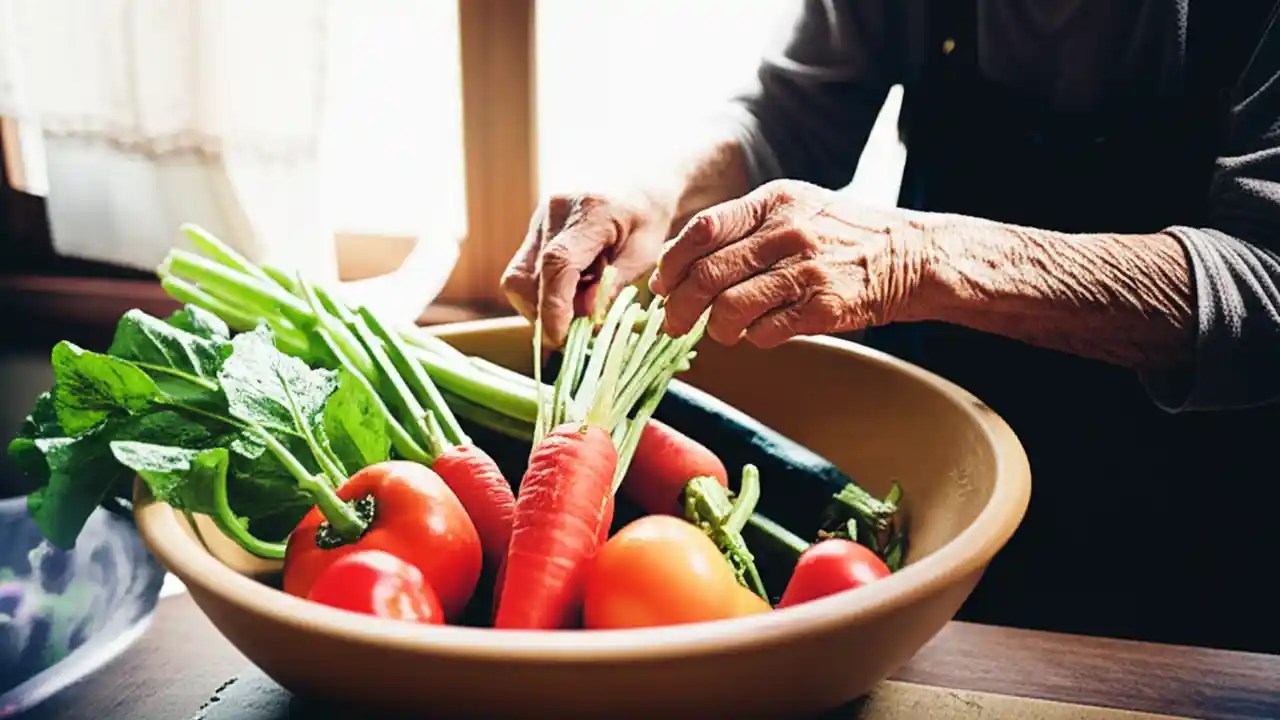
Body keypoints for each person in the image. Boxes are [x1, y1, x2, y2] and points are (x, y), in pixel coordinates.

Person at [501, 1, 1280, 654]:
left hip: (1195, 517)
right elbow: (790, 117)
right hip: (944, 472)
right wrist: (658, 191)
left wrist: (913, 254)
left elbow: (1265, 283)